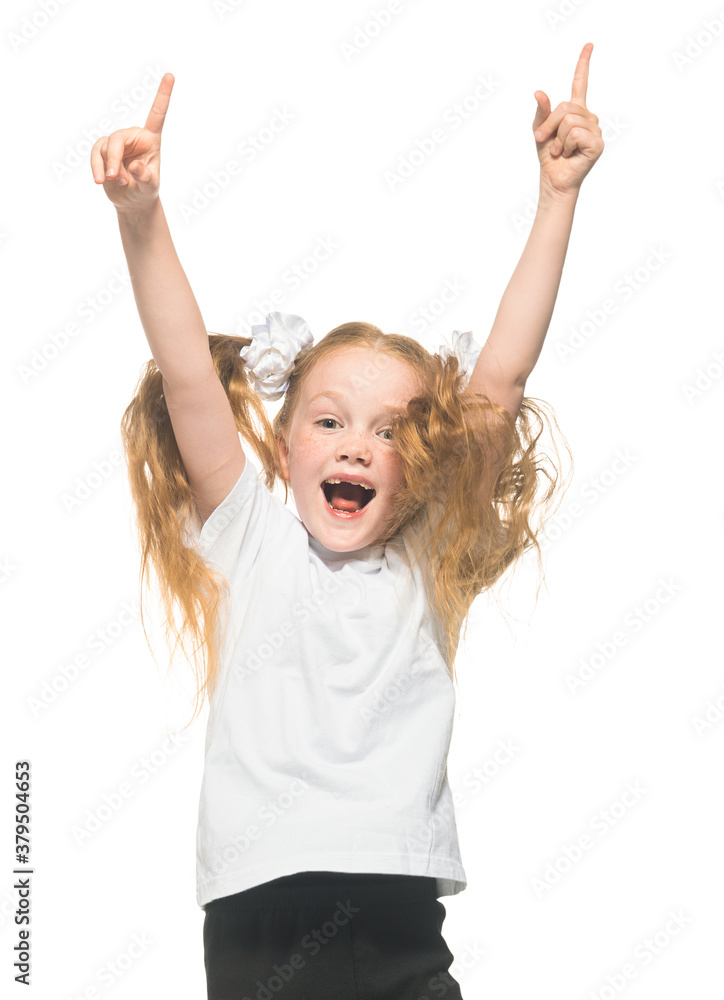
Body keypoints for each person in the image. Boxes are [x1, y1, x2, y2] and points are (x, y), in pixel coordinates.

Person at [90, 42, 603, 1000]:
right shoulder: (251, 536)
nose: (356, 446)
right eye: (329, 422)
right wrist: (140, 217)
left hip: (396, 916)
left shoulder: (427, 563)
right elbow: (191, 375)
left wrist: (558, 199)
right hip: (257, 921)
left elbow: (499, 379)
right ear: (283, 448)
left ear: (423, 467)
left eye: (390, 430)